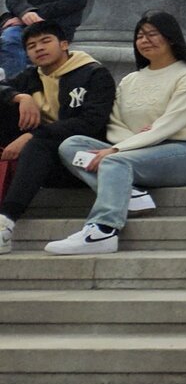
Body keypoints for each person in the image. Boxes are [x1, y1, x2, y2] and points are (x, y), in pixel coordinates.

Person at [46, 11, 186, 255]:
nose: (145, 40)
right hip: (135, 153)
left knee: (114, 161)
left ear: (171, 38)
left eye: (152, 34)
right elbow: (114, 123)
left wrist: (118, 150)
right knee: (71, 145)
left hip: (182, 153)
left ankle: (102, 230)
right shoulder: (130, 80)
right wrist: (127, 145)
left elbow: (171, 122)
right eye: (140, 36)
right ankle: (133, 194)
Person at [0, 20, 116, 251]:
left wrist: (31, 136)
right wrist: (21, 97)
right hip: (40, 162)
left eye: (45, 41)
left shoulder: (94, 74)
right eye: (31, 46)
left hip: (81, 161)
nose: (39, 49)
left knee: (38, 144)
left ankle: (5, 223)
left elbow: (90, 124)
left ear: (64, 44)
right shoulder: (30, 77)